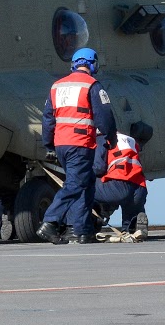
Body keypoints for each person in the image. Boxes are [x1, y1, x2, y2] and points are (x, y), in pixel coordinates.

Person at [37, 47, 115, 244]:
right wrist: (110, 137)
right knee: (75, 184)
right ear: (92, 64)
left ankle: (80, 231)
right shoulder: (92, 85)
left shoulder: (57, 86)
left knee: (86, 183)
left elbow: (47, 119)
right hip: (80, 144)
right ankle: (50, 222)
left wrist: (49, 145)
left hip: (61, 144)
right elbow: (105, 116)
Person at [93, 121, 152, 240]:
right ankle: (132, 226)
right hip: (139, 188)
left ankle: (83, 225)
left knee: (81, 186)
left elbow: (98, 168)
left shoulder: (102, 139)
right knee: (130, 209)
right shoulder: (130, 140)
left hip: (118, 185)